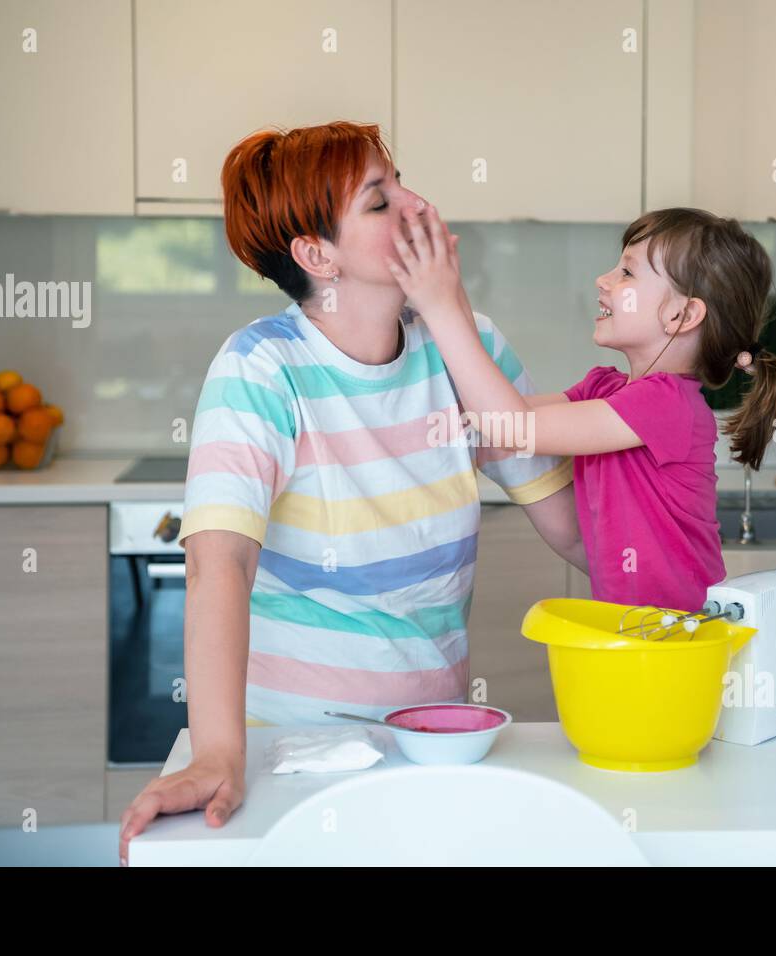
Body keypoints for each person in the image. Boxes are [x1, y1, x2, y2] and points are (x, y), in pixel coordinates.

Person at [118, 121, 580, 865]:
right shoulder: (263, 369)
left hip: (434, 742)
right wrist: (217, 755)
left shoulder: (467, 347)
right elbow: (218, 566)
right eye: (378, 200)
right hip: (293, 754)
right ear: (316, 254)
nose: (416, 204)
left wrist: (707, 610)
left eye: (400, 180)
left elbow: (576, 530)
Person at [385, 202, 776, 653]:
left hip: (682, 643)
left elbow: (510, 427)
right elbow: (494, 415)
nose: (603, 280)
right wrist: (444, 303)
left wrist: (442, 304)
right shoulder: (605, 389)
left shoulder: (667, 404)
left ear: (681, 316)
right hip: (649, 635)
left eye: (627, 273)